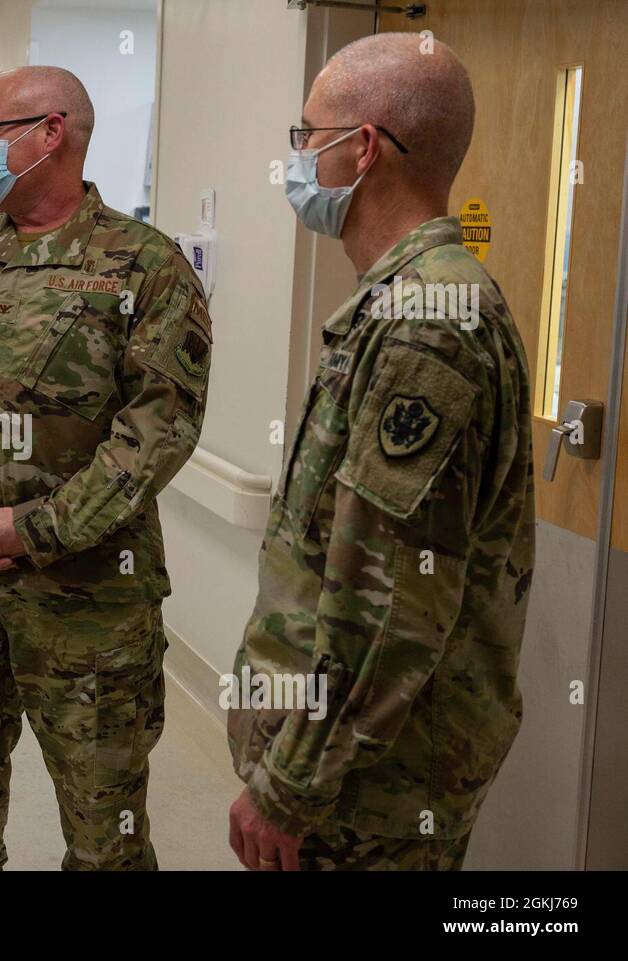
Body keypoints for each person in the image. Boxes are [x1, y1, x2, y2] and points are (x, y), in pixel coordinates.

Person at [0, 66, 212, 870]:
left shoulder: (144, 267)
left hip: (87, 597)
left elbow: (157, 430)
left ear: (50, 133)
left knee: (104, 822)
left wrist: (36, 528)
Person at [227, 33, 534, 871]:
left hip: (369, 794)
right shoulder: (398, 302)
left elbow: (392, 602)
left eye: (305, 136)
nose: (295, 160)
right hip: (358, 774)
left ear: (361, 147)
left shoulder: (428, 324)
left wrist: (289, 785)